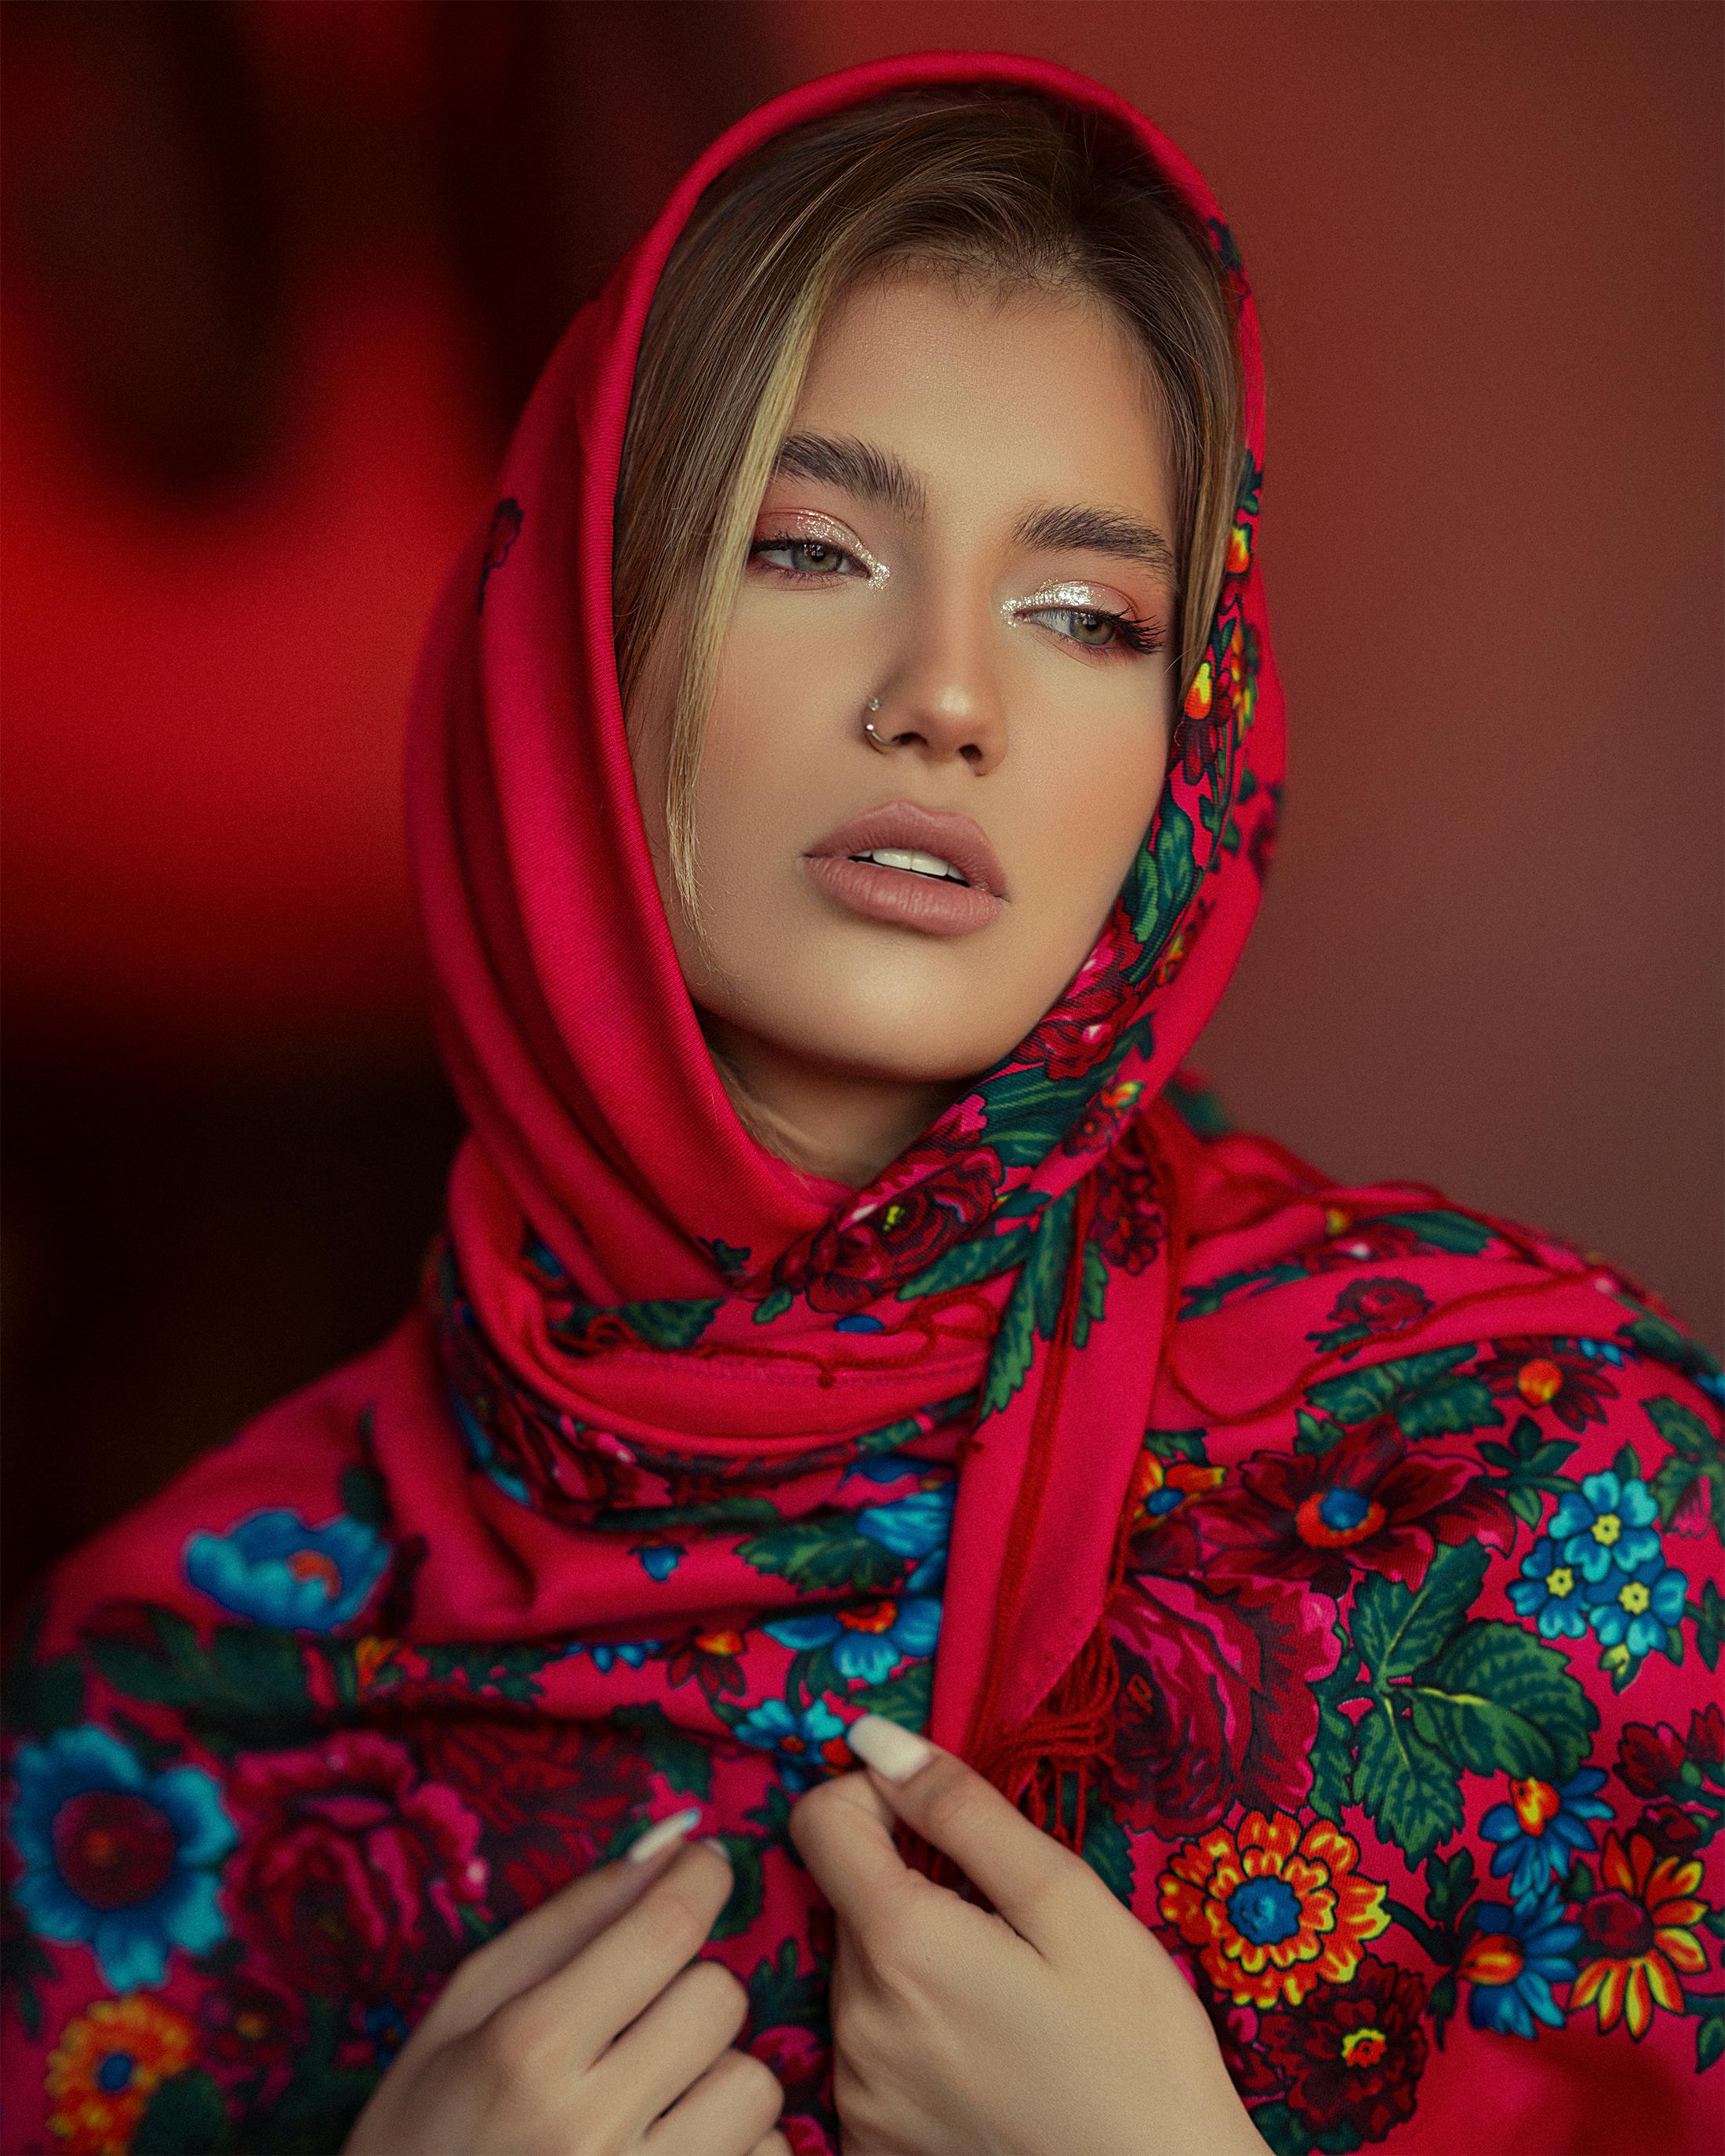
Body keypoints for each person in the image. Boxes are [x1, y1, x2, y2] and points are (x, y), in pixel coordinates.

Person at [2, 49, 1720, 2156]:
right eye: (810, 549)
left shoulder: (1559, 1512)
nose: (951, 696)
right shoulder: (157, 1703)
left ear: (1195, 737)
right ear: (570, 635)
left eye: (1088, 613)